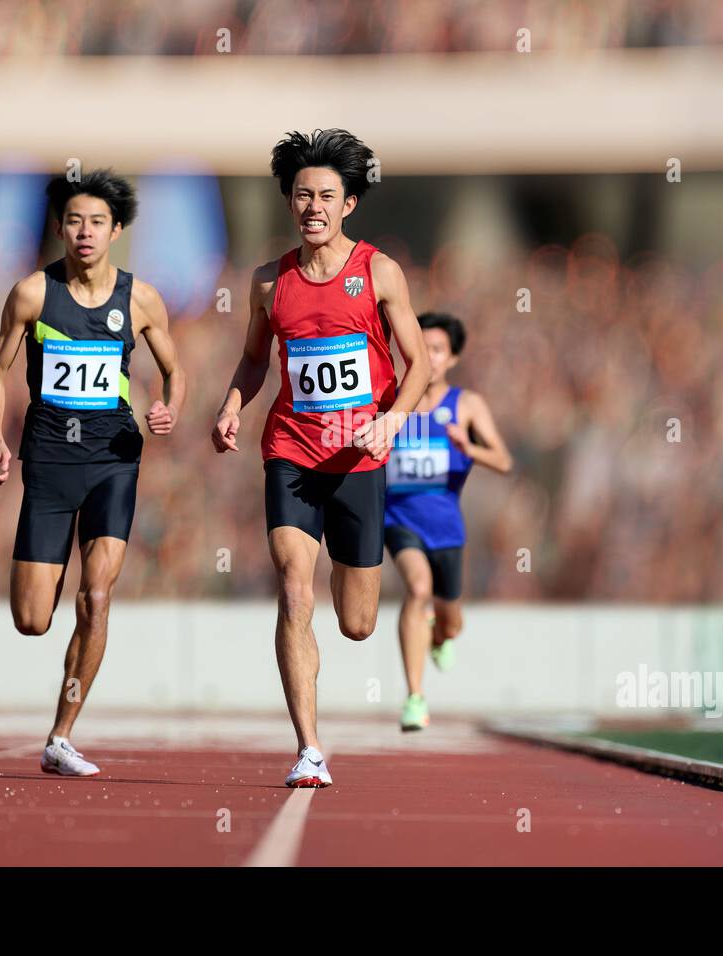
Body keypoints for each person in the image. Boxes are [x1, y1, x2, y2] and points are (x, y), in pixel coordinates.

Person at [211, 129, 429, 787]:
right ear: (289, 200)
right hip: (292, 455)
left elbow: (417, 363)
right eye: (303, 194)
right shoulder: (268, 282)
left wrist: (391, 420)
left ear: (349, 204)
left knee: (358, 623)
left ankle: (350, 569)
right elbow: (254, 359)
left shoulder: (379, 273)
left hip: (360, 461)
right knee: (292, 589)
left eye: (327, 196)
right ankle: (308, 748)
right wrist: (230, 405)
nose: (313, 207)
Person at [0, 169, 185, 776]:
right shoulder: (32, 294)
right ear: (59, 227)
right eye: (74, 221)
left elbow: (175, 369)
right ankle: (58, 718)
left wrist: (168, 406)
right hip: (47, 459)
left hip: (113, 458)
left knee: (95, 597)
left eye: (97, 221)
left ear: (117, 230)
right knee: (32, 619)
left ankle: (60, 736)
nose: (85, 232)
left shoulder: (141, 298)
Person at [383, 313, 511, 730]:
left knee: (451, 620)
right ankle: (415, 697)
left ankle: (440, 632)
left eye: (437, 349)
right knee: (417, 589)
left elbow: (504, 461)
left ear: (452, 357)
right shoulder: (391, 400)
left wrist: (468, 446)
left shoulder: (467, 405)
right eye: (421, 347)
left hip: (446, 528)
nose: (428, 357)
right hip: (398, 518)